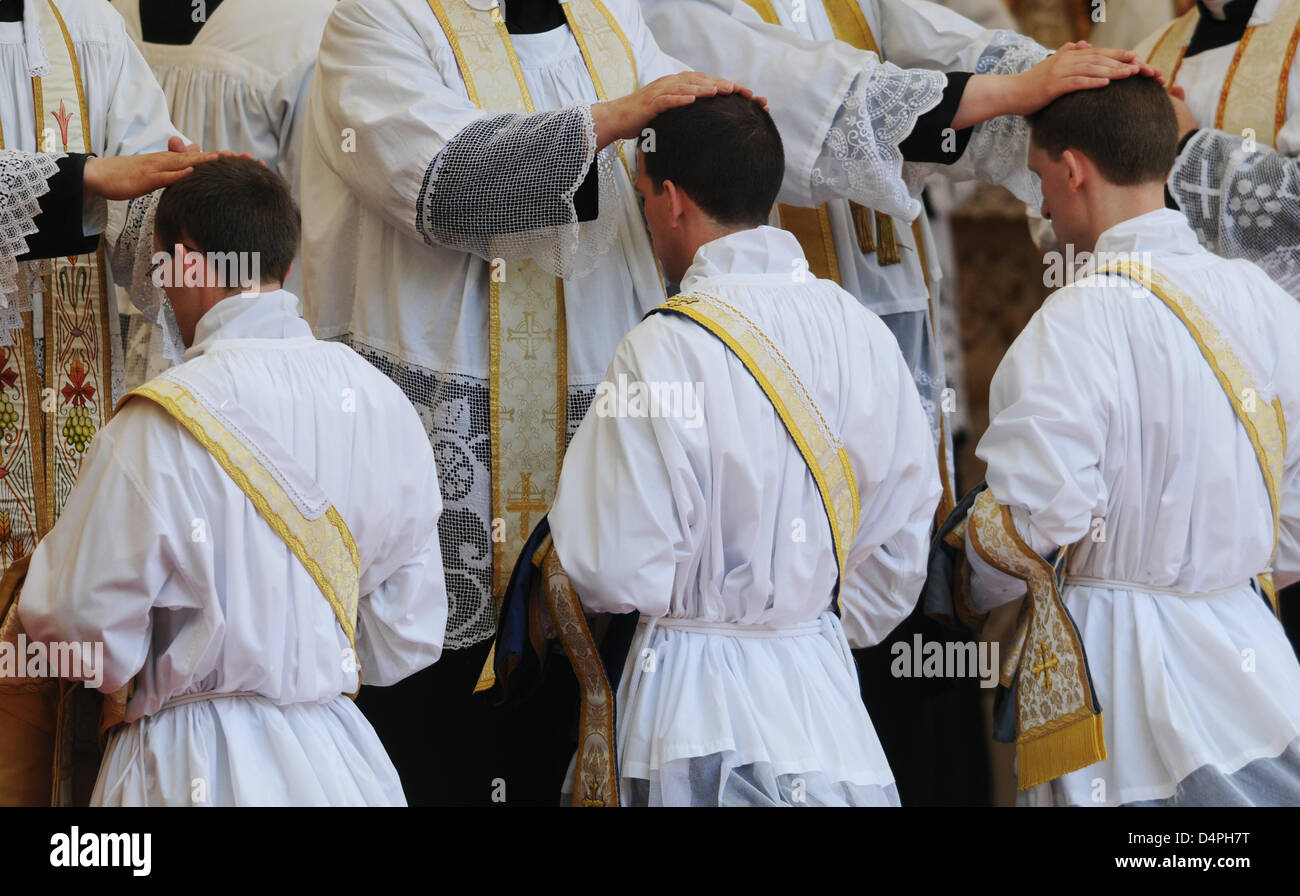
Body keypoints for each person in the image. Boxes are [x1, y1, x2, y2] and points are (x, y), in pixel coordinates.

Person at [545, 93, 940, 806]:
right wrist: (806, 620)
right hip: (825, 704)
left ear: (670, 201)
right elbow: (906, 539)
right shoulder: (862, 333)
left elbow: (608, 568)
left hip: (687, 706)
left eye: (641, 196)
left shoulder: (661, 348)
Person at [17, 158, 448, 806]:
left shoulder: (157, 423)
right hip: (338, 764)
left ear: (185, 261)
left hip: (184, 764)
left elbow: (81, 632)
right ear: (285, 266)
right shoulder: (381, 404)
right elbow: (408, 634)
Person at [965, 75, 1300, 805]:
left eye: (1039, 175)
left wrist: (964, 562)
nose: (1042, 201)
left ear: (1073, 168)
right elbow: (1297, 512)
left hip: (1122, 681)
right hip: (1255, 661)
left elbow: (1035, 520)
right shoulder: (1267, 302)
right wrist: (1219, 568)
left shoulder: (1076, 318)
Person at [0, 0, 187, 578]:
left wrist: (189, 207)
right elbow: (105, 177)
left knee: (73, 598)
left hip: (71, 394)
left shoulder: (86, 23)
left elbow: (141, 178)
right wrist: (80, 178)